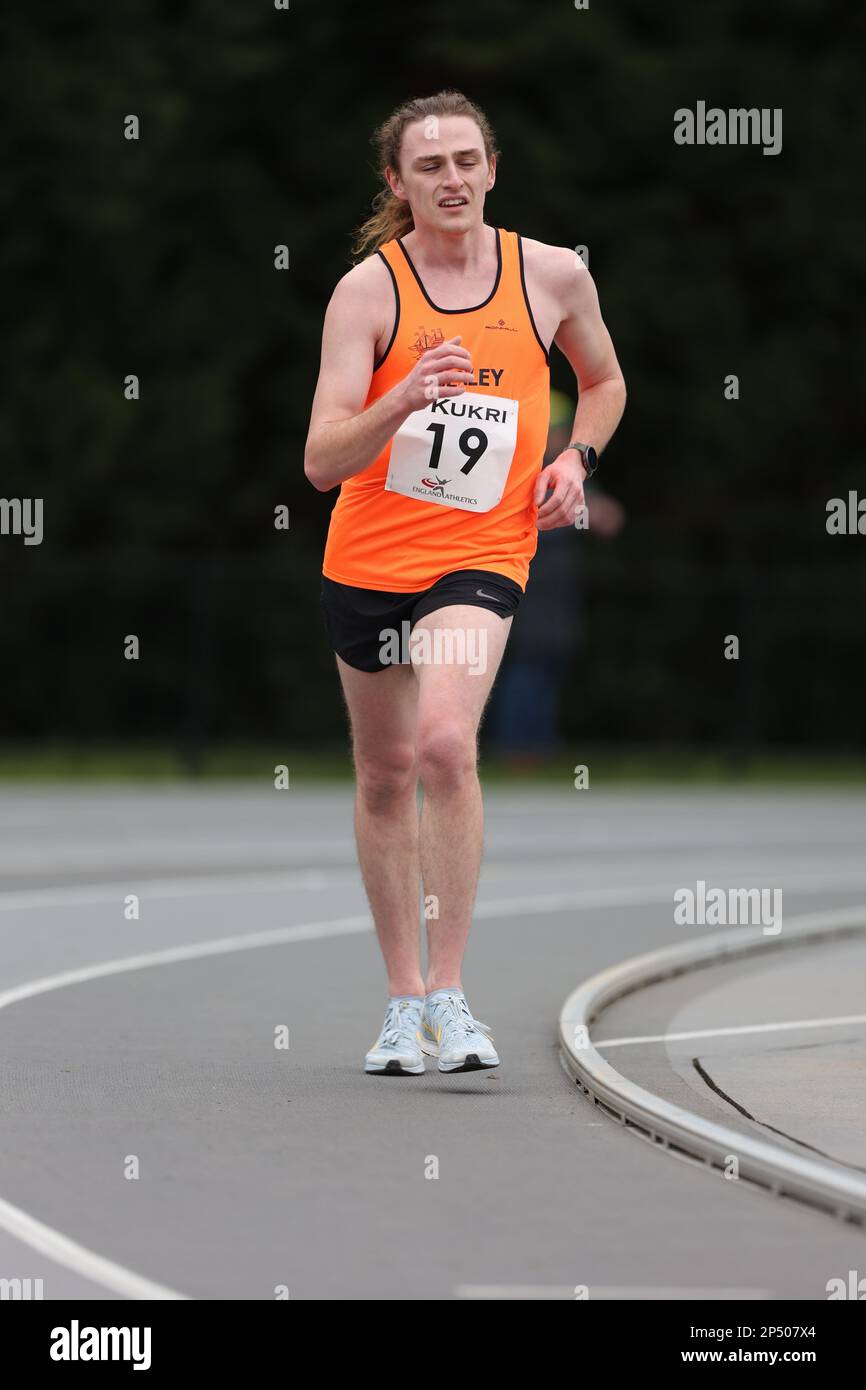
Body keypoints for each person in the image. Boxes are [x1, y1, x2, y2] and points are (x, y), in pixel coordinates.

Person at [304, 90, 626, 1075]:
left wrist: (576, 459)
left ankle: (449, 991)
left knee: (445, 743)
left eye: (464, 160)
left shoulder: (552, 276)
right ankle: (401, 1000)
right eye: (428, 165)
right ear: (397, 184)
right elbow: (321, 460)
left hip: (481, 551)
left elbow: (604, 382)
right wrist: (401, 395)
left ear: (491, 169)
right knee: (385, 769)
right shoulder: (369, 293)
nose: (450, 178)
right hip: (367, 559)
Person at [485, 389, 625, 762]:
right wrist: (587, 514)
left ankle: (539, 747)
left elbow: (605, 517)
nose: (561, 439)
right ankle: (516, 749)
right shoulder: (519, 472)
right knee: (526, 669)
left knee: (545, 667)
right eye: (555, 430)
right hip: (526, 589)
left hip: (557, 594)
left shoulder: (565, 473)